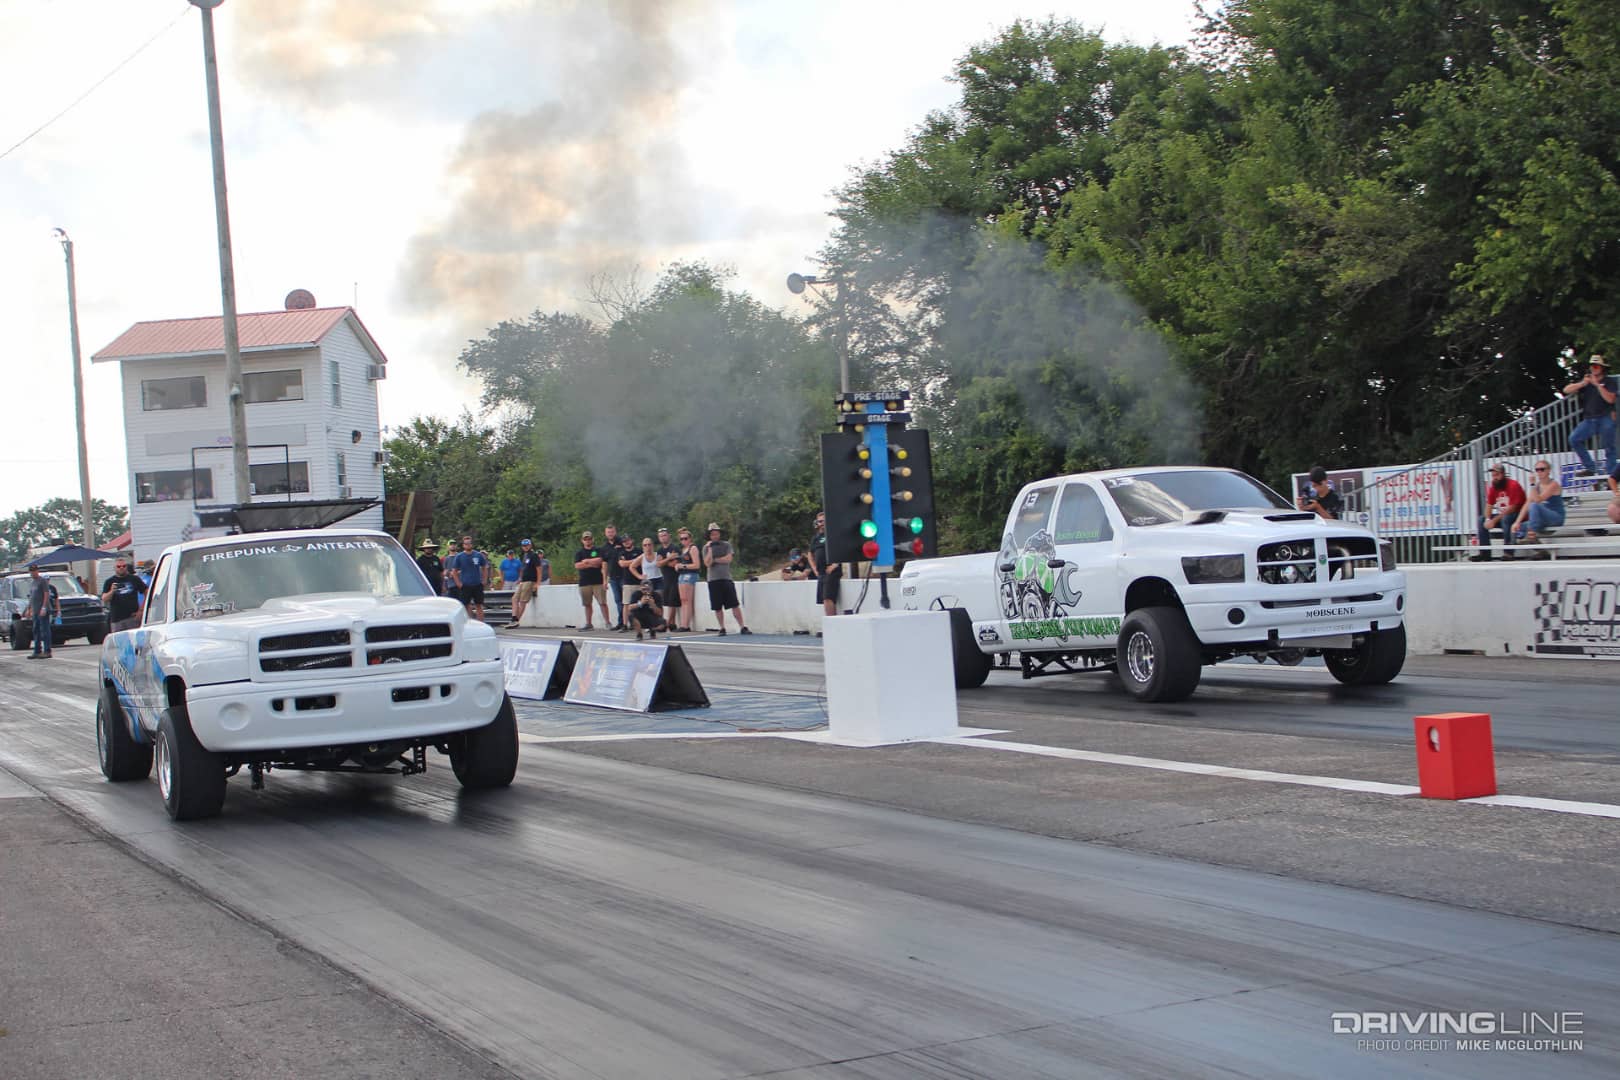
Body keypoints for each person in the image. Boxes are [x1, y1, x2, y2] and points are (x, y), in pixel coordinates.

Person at [1564, 354, 1618, 477]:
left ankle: (1612, 475)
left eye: (1596, 366)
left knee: (1609, 446)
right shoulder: (1586, 381)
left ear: (1602, 368)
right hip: (1589, 419)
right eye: (1592, 366)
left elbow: (1610, 399)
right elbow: (1566, 389)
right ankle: (1590, 467)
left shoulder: (1608, 381)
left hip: (1606, 417)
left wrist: (1597, 385)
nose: (1593, 368)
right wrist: (1583, 383)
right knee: (1574, 439)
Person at [702, 522, 751, 635]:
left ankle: (742, 626)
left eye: (716, 533)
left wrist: (715, 560)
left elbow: (728, 559)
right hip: (713, 579)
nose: (715, 536)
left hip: (726, 577)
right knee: (717, 606)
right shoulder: (706, 547)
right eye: (712, 534)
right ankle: (722, 627)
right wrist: (710, 550)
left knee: (734, 603)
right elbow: (707, 563)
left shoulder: (726, 545)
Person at [1470, 464, 1527, 561]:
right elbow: (1489, 505)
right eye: (1493, 475)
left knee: (1506, 518)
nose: (1494, 478)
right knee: (1481, 520)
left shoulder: (1513, 485)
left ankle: (1508, 552)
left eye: (1497, 475)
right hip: (1504, 516)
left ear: (1503, 474)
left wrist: (1494, 520)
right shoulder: (1494, 487)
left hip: (1519, 517)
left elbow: (1513, 508)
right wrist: (1488, 519)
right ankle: (1485, 553)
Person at [1512, 460, 1566, 555]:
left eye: (1542, 469)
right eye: (1537, 470)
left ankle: (1532, 534)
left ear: (1548, 471)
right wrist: (1517, 522)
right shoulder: (1537, 486)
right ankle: (1541, 551)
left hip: (1555, 517)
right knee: (1519, 527)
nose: (1539, 472)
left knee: (1535, 506)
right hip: (1542, 520)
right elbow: (1527, 504)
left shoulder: (1553, 484)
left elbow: (1538, 500)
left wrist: (1532, 484)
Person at [447, 535, 492, 621]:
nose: (468, 545)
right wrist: (458, 583)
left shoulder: (478, 555)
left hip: (477, 584)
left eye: (469, 543)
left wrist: (484, 580)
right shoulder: (459, 557)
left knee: (478, 604)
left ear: (472, 544)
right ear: (463, 545)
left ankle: (480, 623)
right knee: (466, 605)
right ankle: (471, 622)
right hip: (465, 585)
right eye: (466, 544)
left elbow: (484, 567)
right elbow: (454, 571)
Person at [573, 530, 611, 630]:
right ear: (582, 541)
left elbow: (601, 561)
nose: (587, 541)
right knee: (587, 604)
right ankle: (589, 623)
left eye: (589, 539)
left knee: (602, 602)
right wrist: (592, 564)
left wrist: (587, 561)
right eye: (585, 539)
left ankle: (607, 622)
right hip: (585, 582)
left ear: (592, 539)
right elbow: (578, 565)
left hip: (598, 580)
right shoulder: (579, 553)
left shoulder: (598, 550)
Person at [808, 511, 841, 620]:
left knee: (828, 598)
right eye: (819, 521)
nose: (821, 523)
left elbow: (842, 551)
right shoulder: (816, 538)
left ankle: (832, 622)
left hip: (831, 571)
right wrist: (814, 569)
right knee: (824, 599)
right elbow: (810, 554)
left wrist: (835, 565)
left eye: (823, 521)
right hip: (821, 573)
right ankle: (830, 621)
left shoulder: (833, 534)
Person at [101, 558, 148, 632]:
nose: (121, 568)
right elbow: (104, 599)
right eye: (119, 566)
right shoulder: (109, 581)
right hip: (116, 619)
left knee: (134, 642)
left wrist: (141, 610)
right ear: (114, 568)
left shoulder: (134, 579)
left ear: (127, 567)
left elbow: (147, 593)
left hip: (132, 617)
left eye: (124, 566)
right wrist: (112, 591)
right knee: (118, 642)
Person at [24, 565, 60, 659]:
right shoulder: (33, 583)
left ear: (37, 571)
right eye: (31, 571)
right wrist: (29, 609)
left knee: (45, 630)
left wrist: (44, 607)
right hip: (35, 610)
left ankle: (47, 650)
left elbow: (46, 594)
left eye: (34, 571)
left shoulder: (42, 581)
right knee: (36, 630)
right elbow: (31, 597)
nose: (32, 573)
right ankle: (37, 650)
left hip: (42, 609)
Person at [509, 539, 544, 628]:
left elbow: (539, 569)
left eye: (527, 545)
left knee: (523, 601)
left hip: (530, 580)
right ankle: (514, 617)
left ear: (530, 545)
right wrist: (520, 578)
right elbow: (523, 569)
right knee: (514, 599)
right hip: (523, 581)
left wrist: (538, 583)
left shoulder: (534, 555)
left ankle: (517, 620)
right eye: (524, 546)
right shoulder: (524, 555)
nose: (525, 547)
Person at [602, 524, 629, 631]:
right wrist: (604, 579)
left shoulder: (622, 542)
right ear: (605, 533)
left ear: (615, 532)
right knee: (618, 600)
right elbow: (604, 564)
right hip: (612, 577)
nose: (610, 534)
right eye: (608, 532)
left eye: (612, 532)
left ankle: (627, 622)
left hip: (624, 576)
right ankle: (621, 622)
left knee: (626, 601)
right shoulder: (604, 547)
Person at [674, 527, 701, 632]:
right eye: (681, 539)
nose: (683, 541)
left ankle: (685, 625)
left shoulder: (693, 548)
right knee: (683, 600)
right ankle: (683, 623)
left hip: (690, 574)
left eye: (686, 538)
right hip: (682, 575)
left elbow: (696, 565)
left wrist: (683, 566)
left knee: (687, 600)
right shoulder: (683, 550)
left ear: (690, 539)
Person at [655, 527, 682, 628]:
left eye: (665, 535)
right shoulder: (660, 550)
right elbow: (658, 564)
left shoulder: (674, 548)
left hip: (675, 578)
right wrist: (669, 558)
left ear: (669, 536)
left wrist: (664, 561)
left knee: (672, 602)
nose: (663, 537)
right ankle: (672, 624)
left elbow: (674, 563)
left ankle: (667, 623)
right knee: (667, 602)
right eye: (661, 536)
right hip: (665, 579)